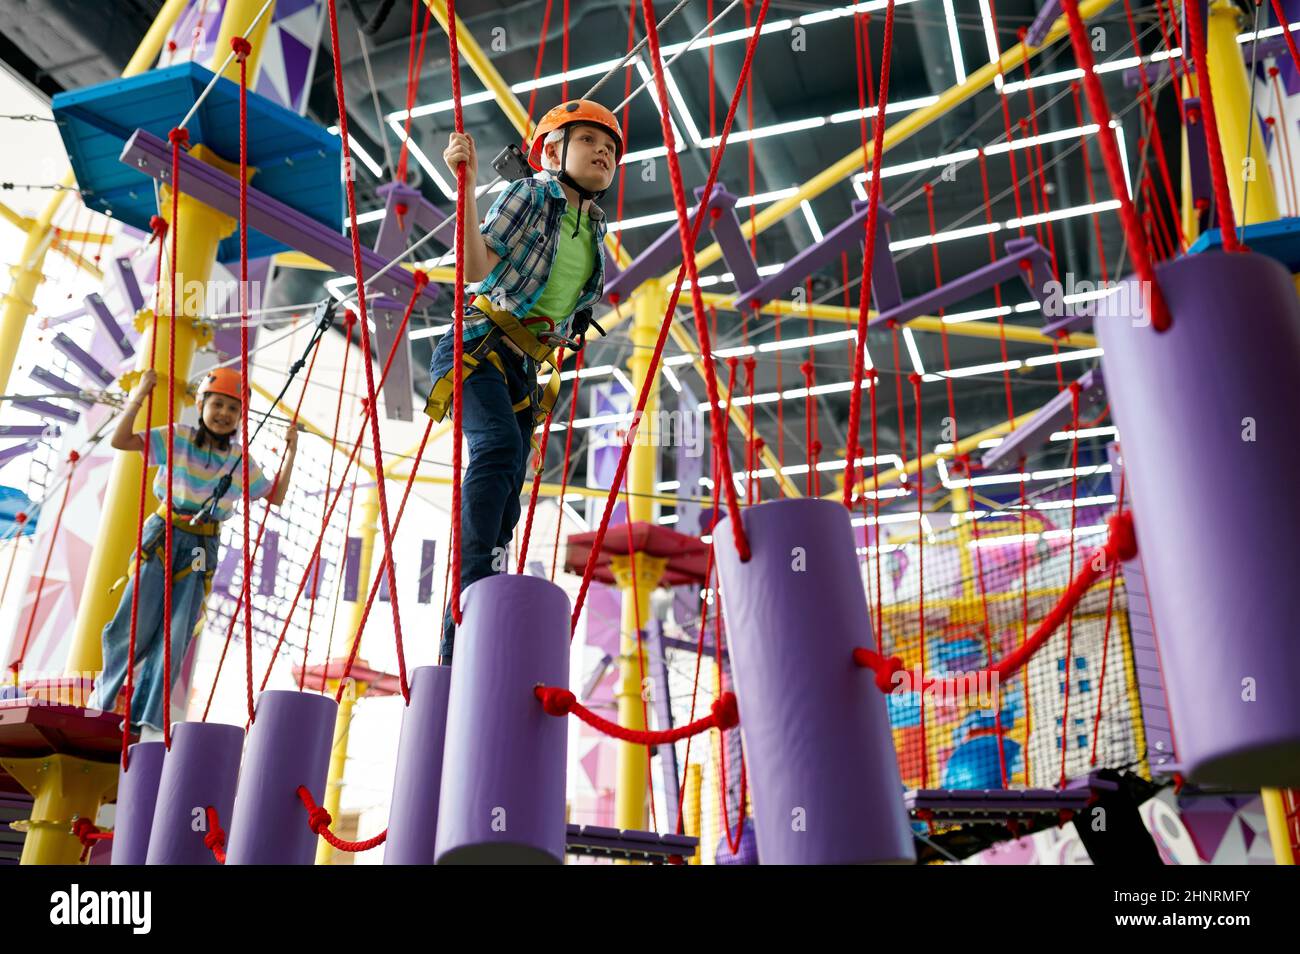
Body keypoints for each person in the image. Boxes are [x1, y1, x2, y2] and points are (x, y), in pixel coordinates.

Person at [425, 99, 623, 665]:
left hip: (522, 370)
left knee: (511, 481)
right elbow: (474, 269)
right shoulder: (530, 194)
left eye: (610, 150)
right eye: (589, 142)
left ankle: (479, 601)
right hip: (476, 346)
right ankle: (467, 592)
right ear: (553, 152)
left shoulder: (595, 228)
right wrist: (466, 186)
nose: (603, 153)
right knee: (496, 449)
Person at [89, 365, 298, 739]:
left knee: (177, 632)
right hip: (163, 534)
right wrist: (140, 394)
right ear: (201, 405)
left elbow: (276, 496)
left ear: (240, 417)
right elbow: (122, 440)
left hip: (202, 544)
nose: (224, 414)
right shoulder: (177, 437)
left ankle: (144, 721)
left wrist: (291, 450)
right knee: (135, 623)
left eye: (233, 409)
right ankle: (102, 702)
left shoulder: (241, 462)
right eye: (217, 404)